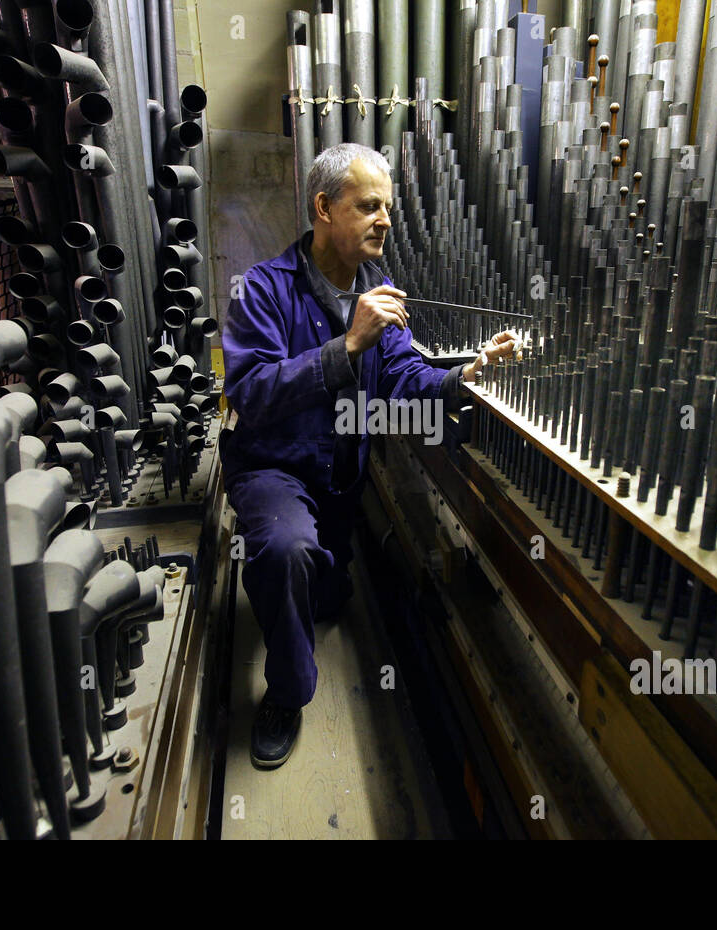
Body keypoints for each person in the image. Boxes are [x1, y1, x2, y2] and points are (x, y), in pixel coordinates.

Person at [221, 142, 518, 768]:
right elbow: (248, 392)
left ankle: (310, 584)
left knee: (324, 595)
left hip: (340, 474)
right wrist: (347, 345)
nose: (386, 220)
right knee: (284, 548)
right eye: (369, 206)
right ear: (324, 208)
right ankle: (286, 694)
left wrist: (465, 375)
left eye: (389, 207)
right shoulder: (262, 290)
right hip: (275, 464)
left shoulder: (379, 291)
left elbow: (405, 373)